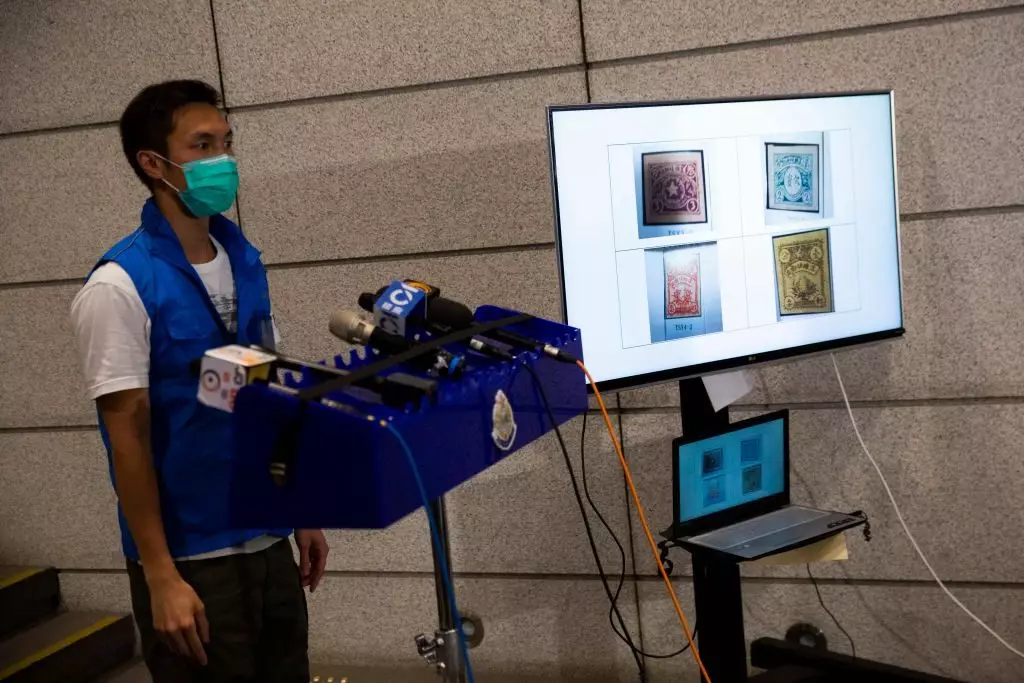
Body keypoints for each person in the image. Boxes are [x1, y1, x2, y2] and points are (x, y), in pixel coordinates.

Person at [70, 80, 328, 682]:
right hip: (192, 557)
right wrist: (160, 575)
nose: (223, 160)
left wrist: (302, 509)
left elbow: (263, 391)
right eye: (203, 144)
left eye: (228, 142)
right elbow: (126, 435)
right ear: (153, 163)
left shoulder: (243, 258)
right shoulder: (119, 285)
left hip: (267, 536)